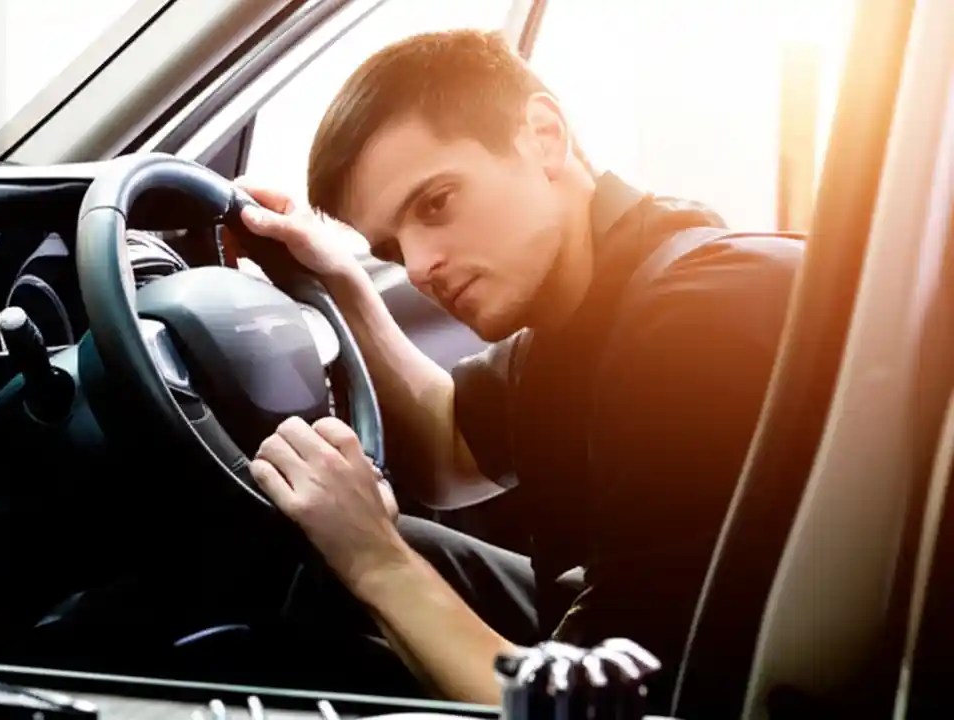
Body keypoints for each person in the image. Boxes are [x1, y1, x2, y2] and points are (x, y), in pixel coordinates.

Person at [232, 29, 802, 708]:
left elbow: (595, 713)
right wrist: (337, 279)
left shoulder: (690, 325)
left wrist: (372, 558)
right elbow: (451, 451)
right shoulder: (591, 306)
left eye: (436, 203)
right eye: (392, 247)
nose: (419, 268)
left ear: (543, 137)